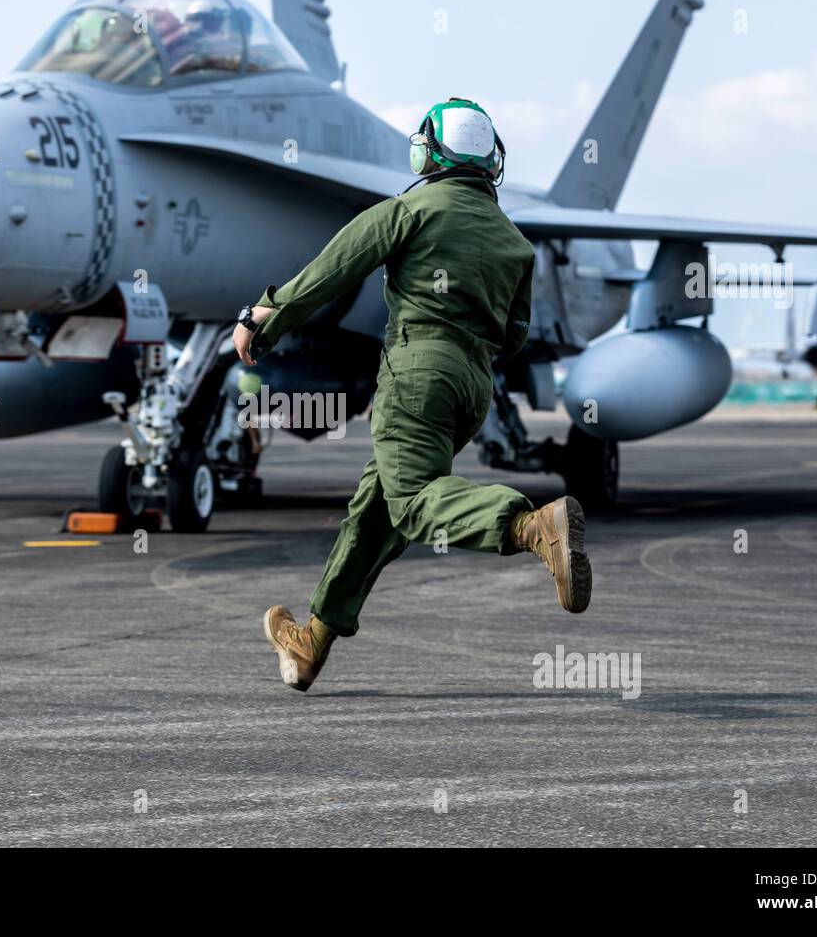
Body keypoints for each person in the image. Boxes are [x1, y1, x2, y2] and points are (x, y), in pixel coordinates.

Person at [232, 99, 592, 693]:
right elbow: (514, 336)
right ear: (490, 162)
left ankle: (532, 527)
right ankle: (310, 642)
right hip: (471, 387)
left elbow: (335, 267)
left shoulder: (409, 209)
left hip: (416, 375)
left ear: (427, 151)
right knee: (374, 511)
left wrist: (264, 316)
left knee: (414, 503)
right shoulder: (515, 243)